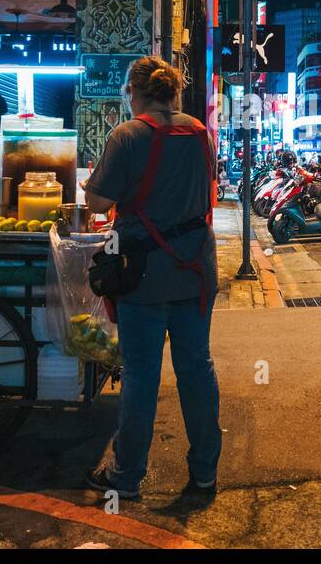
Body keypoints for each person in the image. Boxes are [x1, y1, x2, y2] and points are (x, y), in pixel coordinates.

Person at [83, 56, 220, 506]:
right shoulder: (199, 132)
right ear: (173, 92)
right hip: (196, 269)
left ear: (133, 92)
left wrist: (94, 185)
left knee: (142, 375)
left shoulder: (129, 134)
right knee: (196, 370)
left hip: (143, 272)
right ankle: (203, 474)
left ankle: (126, 477)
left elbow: (100, 203)